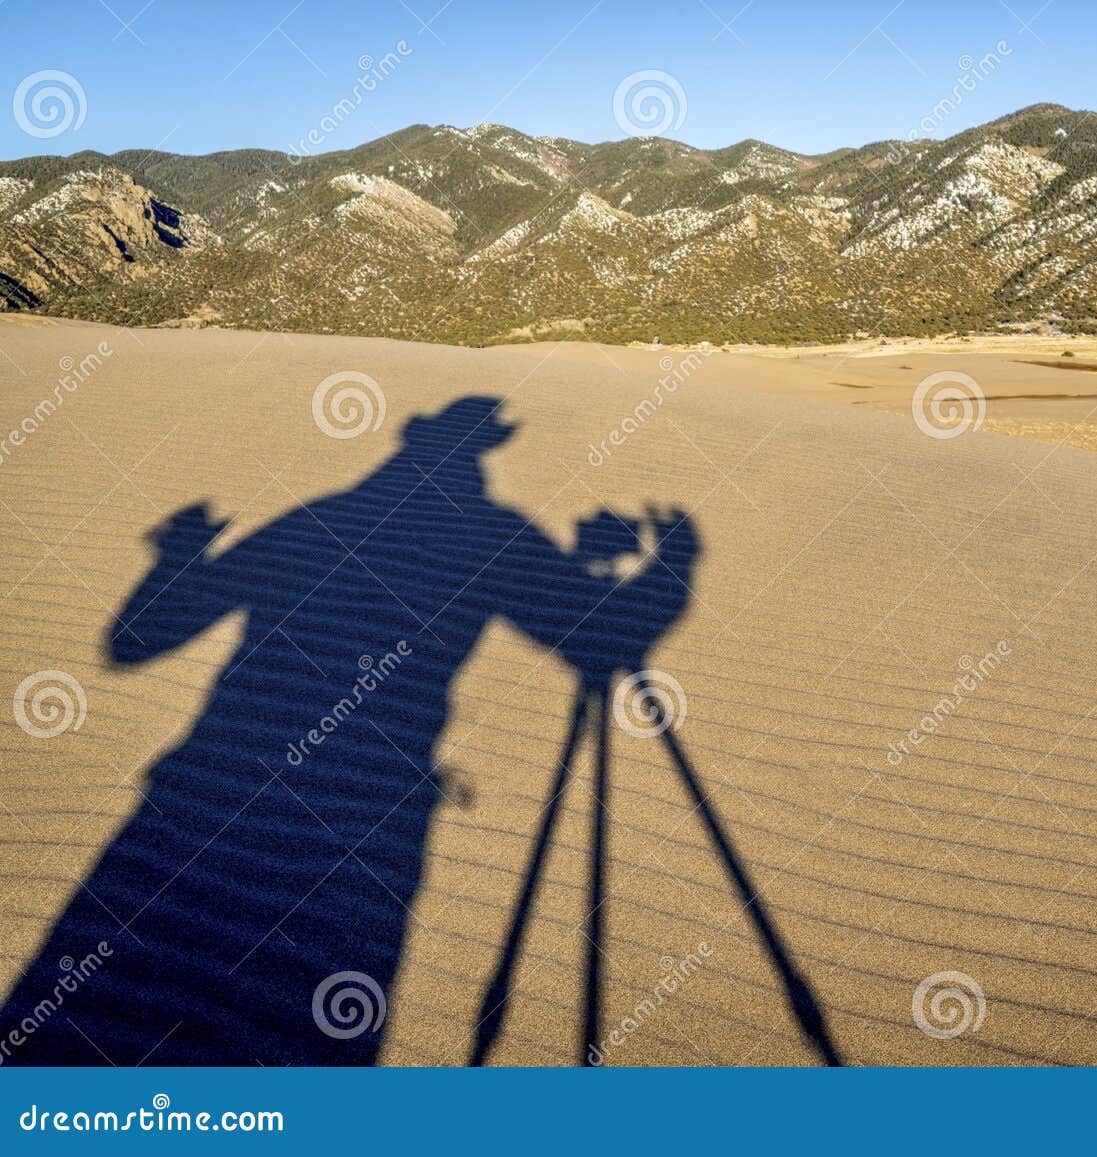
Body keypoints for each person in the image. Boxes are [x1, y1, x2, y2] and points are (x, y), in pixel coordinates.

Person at [0, 396, 698, 1065]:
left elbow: (135, 641)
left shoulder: (313, 519)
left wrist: (179, 552)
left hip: (193, 799)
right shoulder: (497, 534)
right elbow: (607, 642)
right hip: (364, 822)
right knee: (312, 1032)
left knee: (73, 1013)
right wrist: (673, 561)